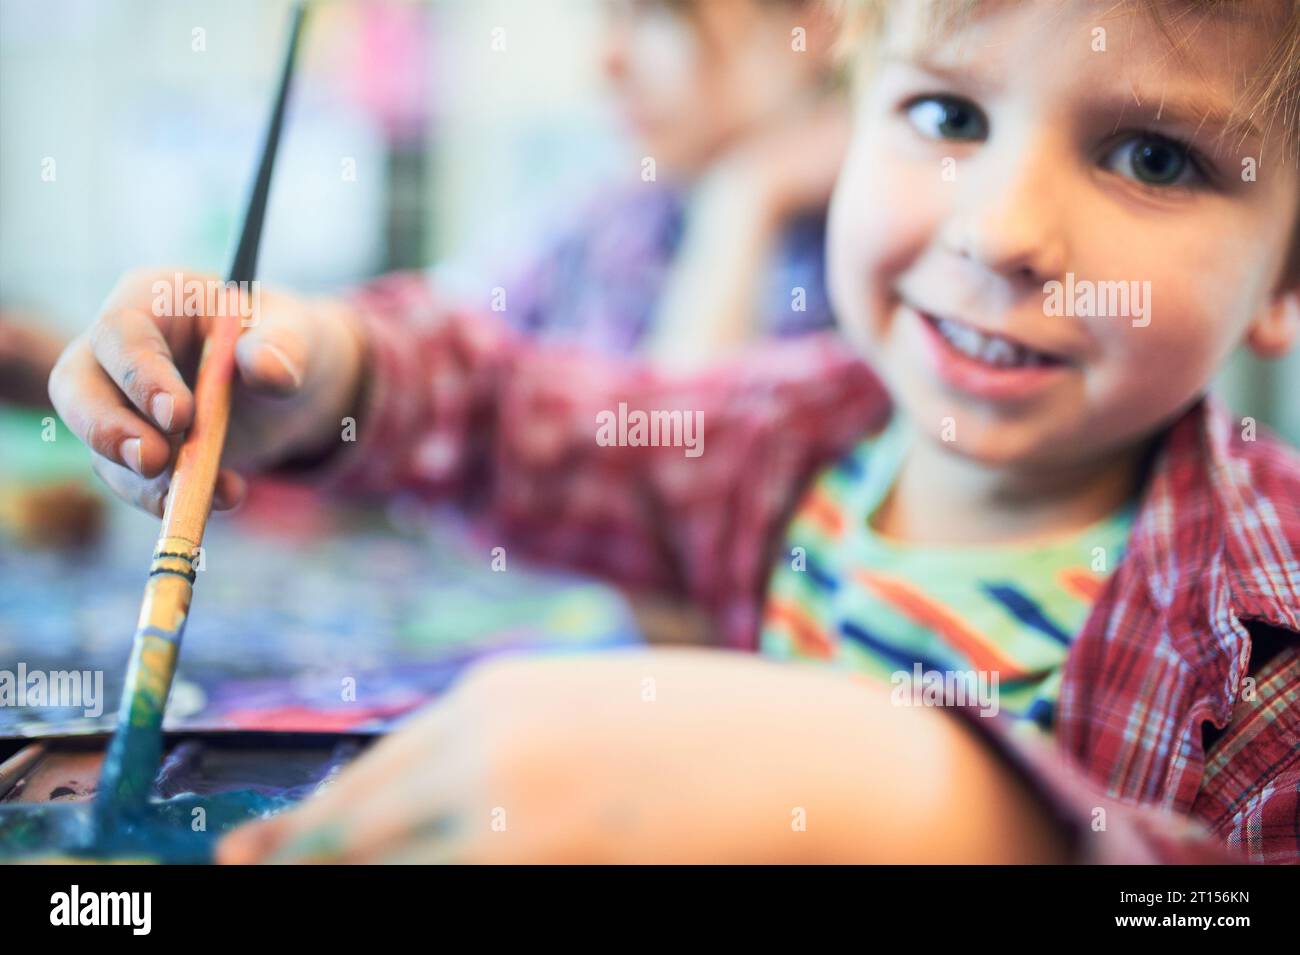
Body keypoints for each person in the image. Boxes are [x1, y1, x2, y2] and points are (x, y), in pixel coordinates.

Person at [48, 0, 1300, 863]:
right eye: (947, 118)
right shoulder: (789, 435)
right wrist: (322, 371)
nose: (997, 231)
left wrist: (939, 807)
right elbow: (508, 414)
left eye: (1152, 155)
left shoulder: (1271, 627)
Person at [494, 0, 848, 367]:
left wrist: (745, 203)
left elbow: (681, 423)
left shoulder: (860, 261)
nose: (607, 62)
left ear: (814, 19)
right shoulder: (593, 227)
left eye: (654, 13)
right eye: (606, 15)